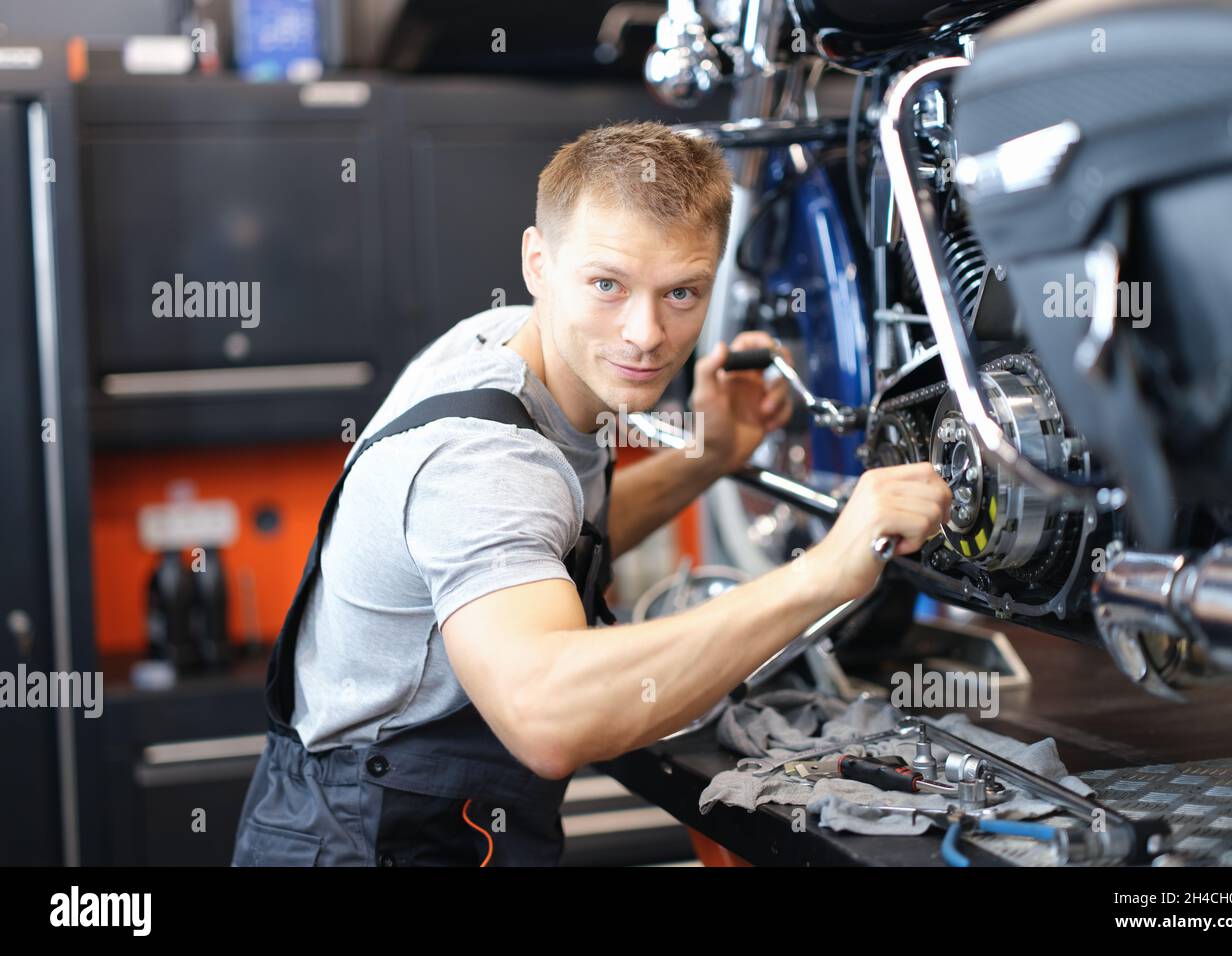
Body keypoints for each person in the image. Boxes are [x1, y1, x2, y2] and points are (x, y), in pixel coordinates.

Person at [232, 121, 951, 866]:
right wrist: (825, 573)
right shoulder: (483, 459)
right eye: (608, 284)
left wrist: (709, 458)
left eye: (681, 292)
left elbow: (548, 539)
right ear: (537, 261)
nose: (644, 334)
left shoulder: (517, 349)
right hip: (368, 838)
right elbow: (545, 717)